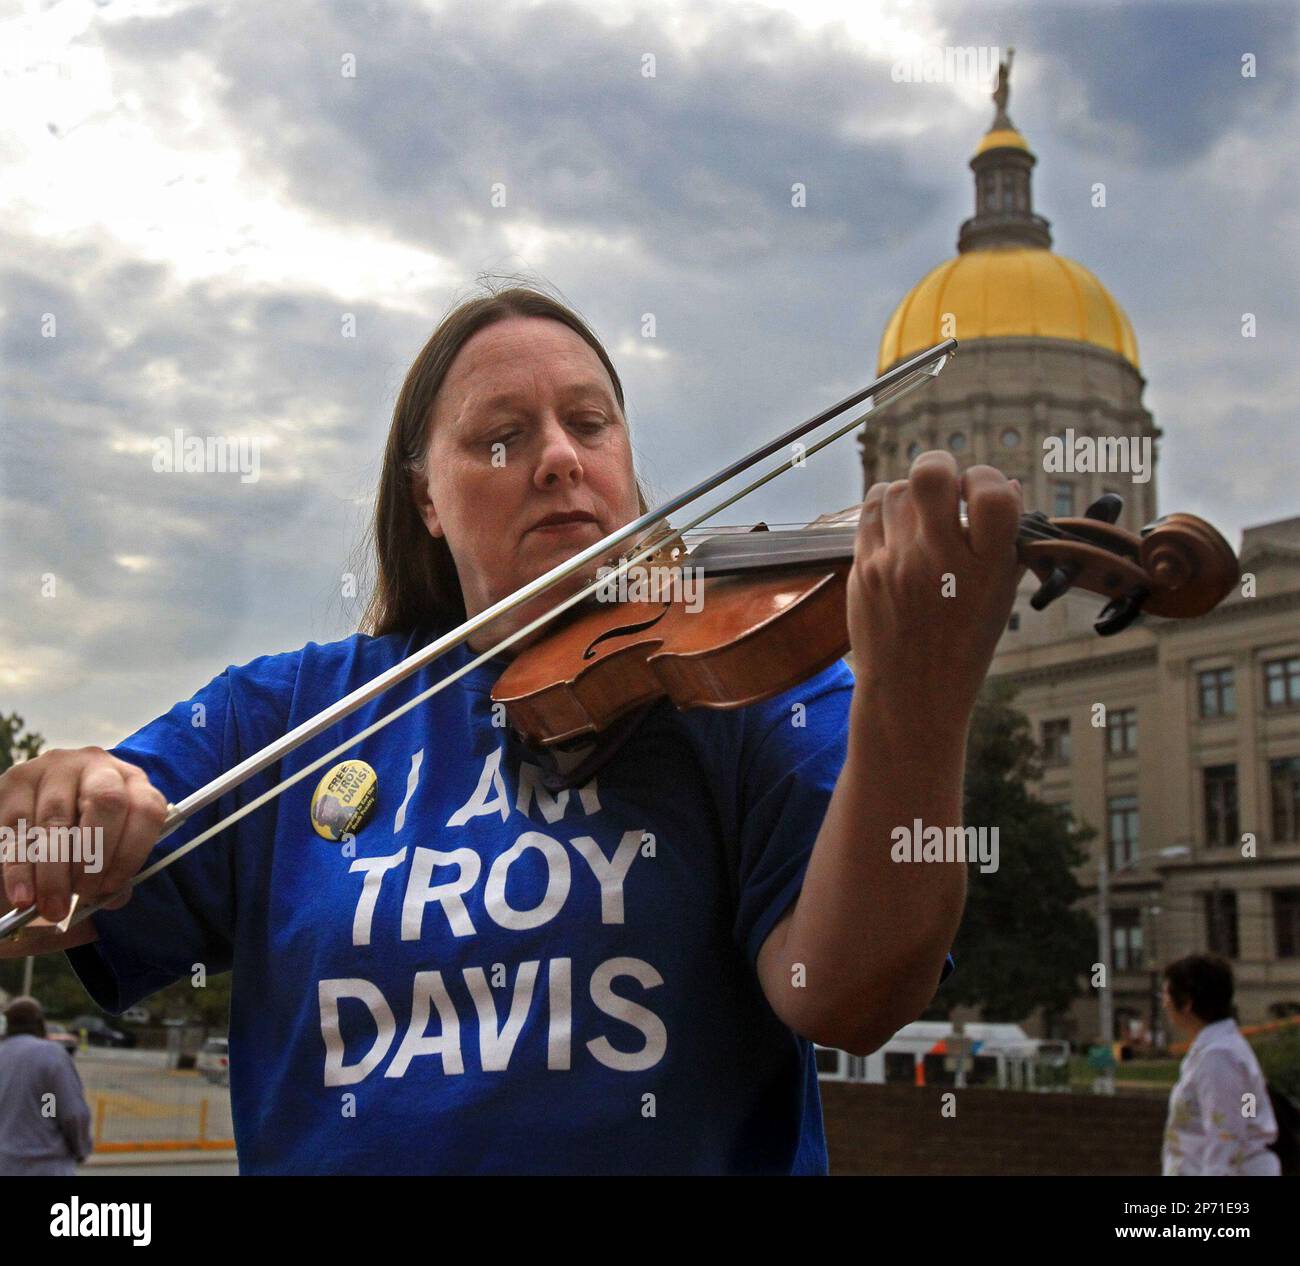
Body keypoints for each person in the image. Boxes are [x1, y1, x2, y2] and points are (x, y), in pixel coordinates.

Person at [0, 283, 1024, 1174]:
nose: (559, 460)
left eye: (591, 423)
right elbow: (36, 899)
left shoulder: (751, 684)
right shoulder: (291, 711)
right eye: (502, 435)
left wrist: (917, 706)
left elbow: (846, 997)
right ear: (427, 498)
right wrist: (66, 810)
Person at [1160, 953, 1280, 1176]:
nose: (1164, 1003)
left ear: (1187, 1003)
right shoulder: (1220, 1048)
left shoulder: (1218, 1057)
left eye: (1166, 994)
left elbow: (1225, 1137)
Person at [0, 996, 94, 1176]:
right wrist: (81, 1149)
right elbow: (73, 1115)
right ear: (40, 1023)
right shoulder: (49, 1054)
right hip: (44, 1166)